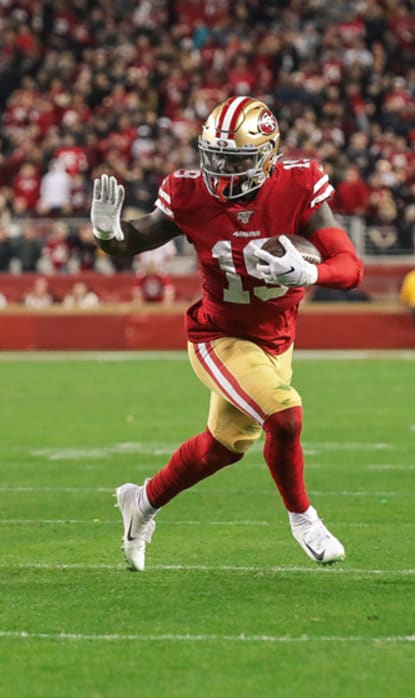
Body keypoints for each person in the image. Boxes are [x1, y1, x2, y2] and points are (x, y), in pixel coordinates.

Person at [90, 96, 363, 571]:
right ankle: (304, 519)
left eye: (233, 161)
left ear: (268, 155)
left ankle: (142, 503)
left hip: (276, 337)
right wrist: (108, 234)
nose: (219, 170)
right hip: (218, 335)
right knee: (286, 415)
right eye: (212, 157)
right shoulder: (189, 191)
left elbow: (351, 267)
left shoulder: (298, 184)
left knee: (223, 447)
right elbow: (133, 239)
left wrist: (308, 273)